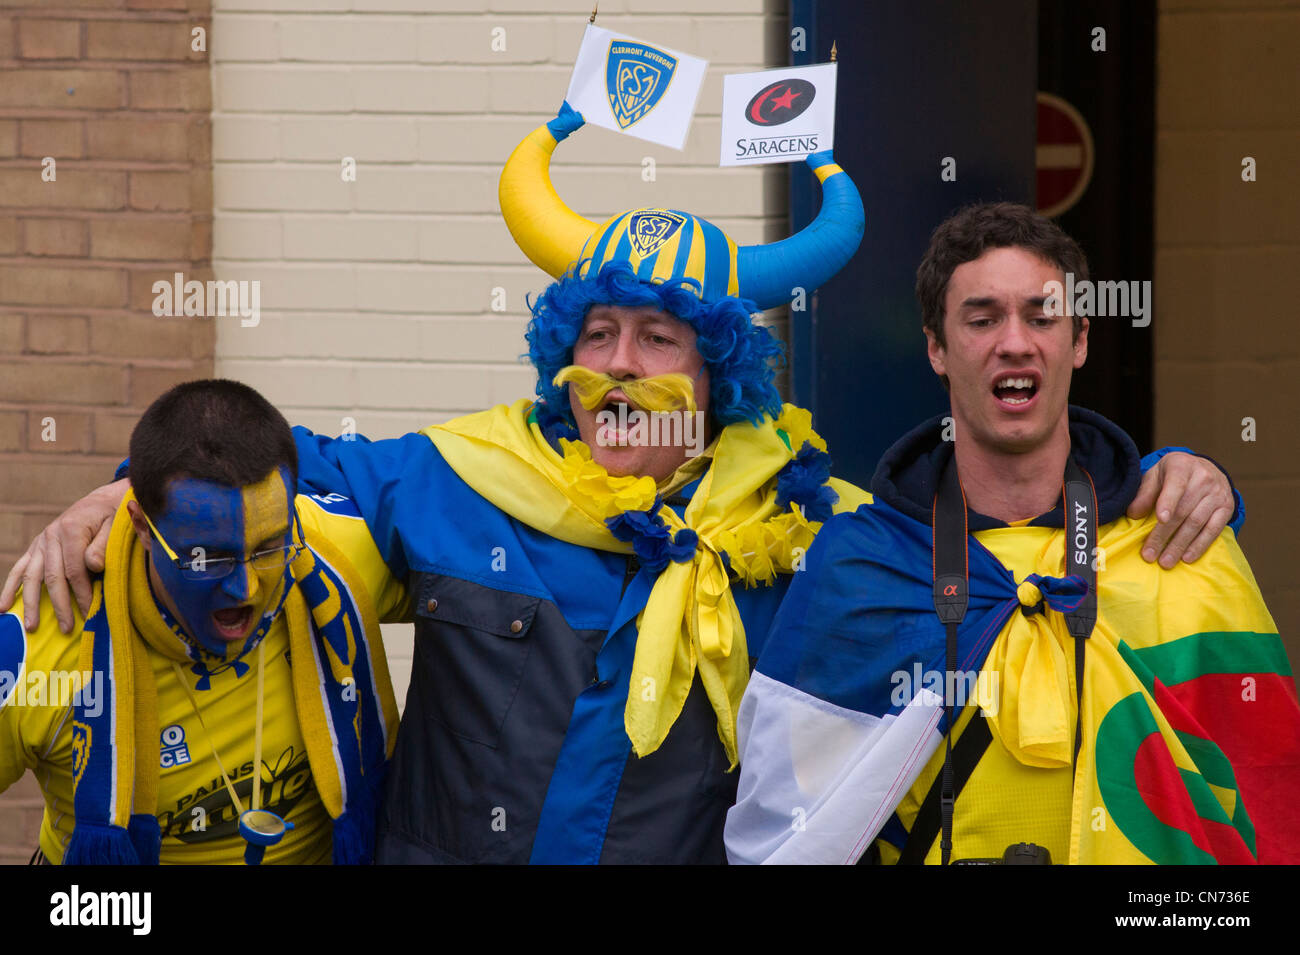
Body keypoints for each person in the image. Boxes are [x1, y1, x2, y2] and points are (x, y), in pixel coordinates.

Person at [3, 110, 1237, 863]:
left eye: (656, 339)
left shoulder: (815, 530)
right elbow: (255, 464)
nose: (619, 367)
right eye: (594, 335)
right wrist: (123, 493)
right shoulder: (455, 479)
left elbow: (1006, 527)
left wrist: (1163, 473)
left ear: (717, 373)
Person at [724, 202, 1299, 865]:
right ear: (937, 348)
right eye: (982, 318)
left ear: (1079, 339)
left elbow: (1263, 800)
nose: (1016, 341)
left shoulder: (1177, 548)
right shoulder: (858, 566)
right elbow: (791, 824)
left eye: (1041, 315)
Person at [0, 380, 407, 864]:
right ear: (141, 527)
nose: (246, 588)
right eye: (207, 558)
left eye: (268, 549)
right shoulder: (42, 636)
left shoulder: (340, 558)